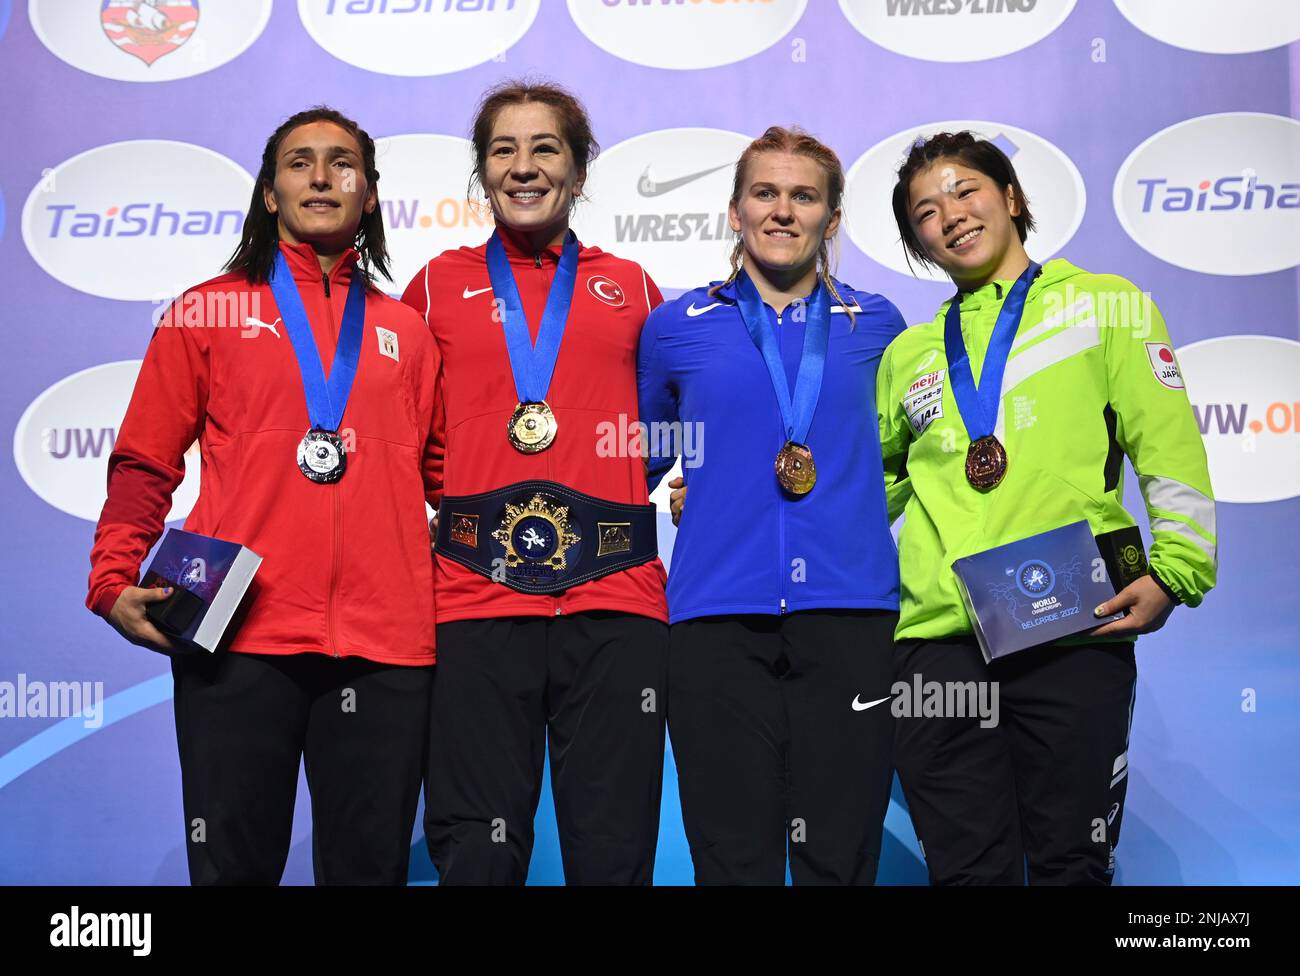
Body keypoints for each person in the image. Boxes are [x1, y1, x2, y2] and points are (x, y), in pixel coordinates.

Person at [87, 106, 443, 885]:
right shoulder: (206, 310)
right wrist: (112, 578)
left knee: (368, 873)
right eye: (299, 162)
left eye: (342, 162)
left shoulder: (408, 333)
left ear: (371, 194)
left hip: (386, 645)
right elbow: (145, 461)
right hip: (236, 630)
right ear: (270, 193)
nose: (321, 176)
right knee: (231, 871)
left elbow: (452, 478)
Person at [878, 130, 1217, 884]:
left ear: (1012, 197)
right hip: (938, 642)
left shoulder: (1108, 306)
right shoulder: (912, 354)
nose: (952, 215)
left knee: (1071, 863)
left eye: (966, 190)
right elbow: (868, 488)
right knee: (966, 873)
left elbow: (1169, 451)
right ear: (918, 241)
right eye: (927, 211)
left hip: (1071, 626)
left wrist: (1177, 571)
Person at [402, 80, 669, 885]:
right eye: (503, 151)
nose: (524, 168)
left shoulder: (635, 289)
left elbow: (658, 435)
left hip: (613, 603)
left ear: (580, 170)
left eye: (545, 148)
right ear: (482, 172)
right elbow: (406, 434)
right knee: (478, 852)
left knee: (612, 851)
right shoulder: (430, 287)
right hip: (475, 600)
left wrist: (599, 488)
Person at [638, 126, 906, 884]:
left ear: (831, 218)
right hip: (714, 620)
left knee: (840, 854)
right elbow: (638, 459)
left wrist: (852, 510)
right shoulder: (675, 329)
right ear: (734, 211)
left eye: (803, 195)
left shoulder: (879, 325)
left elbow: (919, 461)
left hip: (850, 616)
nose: (782, 211)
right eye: (765, 193)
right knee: (731, 857)